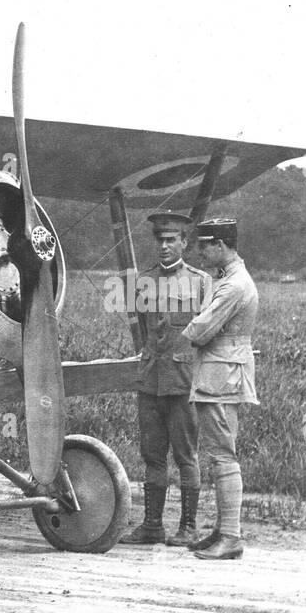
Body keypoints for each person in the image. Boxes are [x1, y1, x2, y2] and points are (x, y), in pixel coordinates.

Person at [120, 211, 211, 545]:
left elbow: (207, 333)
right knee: (152, 455)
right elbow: (145, 333)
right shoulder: (142, 281)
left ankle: (188, 527)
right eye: (159, 239)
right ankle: (152, 526)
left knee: (187, 456)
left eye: (171, 240)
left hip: (183, 383)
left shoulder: (201, 282)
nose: (164, 246)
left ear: (184, 243)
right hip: (150, 382)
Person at [183, 218, 258, 560]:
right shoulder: (230, 280)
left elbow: (201, 330)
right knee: (217, 453)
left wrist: (179, 340)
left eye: (204, 245)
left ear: (220, 245)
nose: (199, 252)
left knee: (222, 455)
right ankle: (222, 531)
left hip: (221, 377)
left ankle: (230, 536)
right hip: (221, 374)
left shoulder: (233, 286)